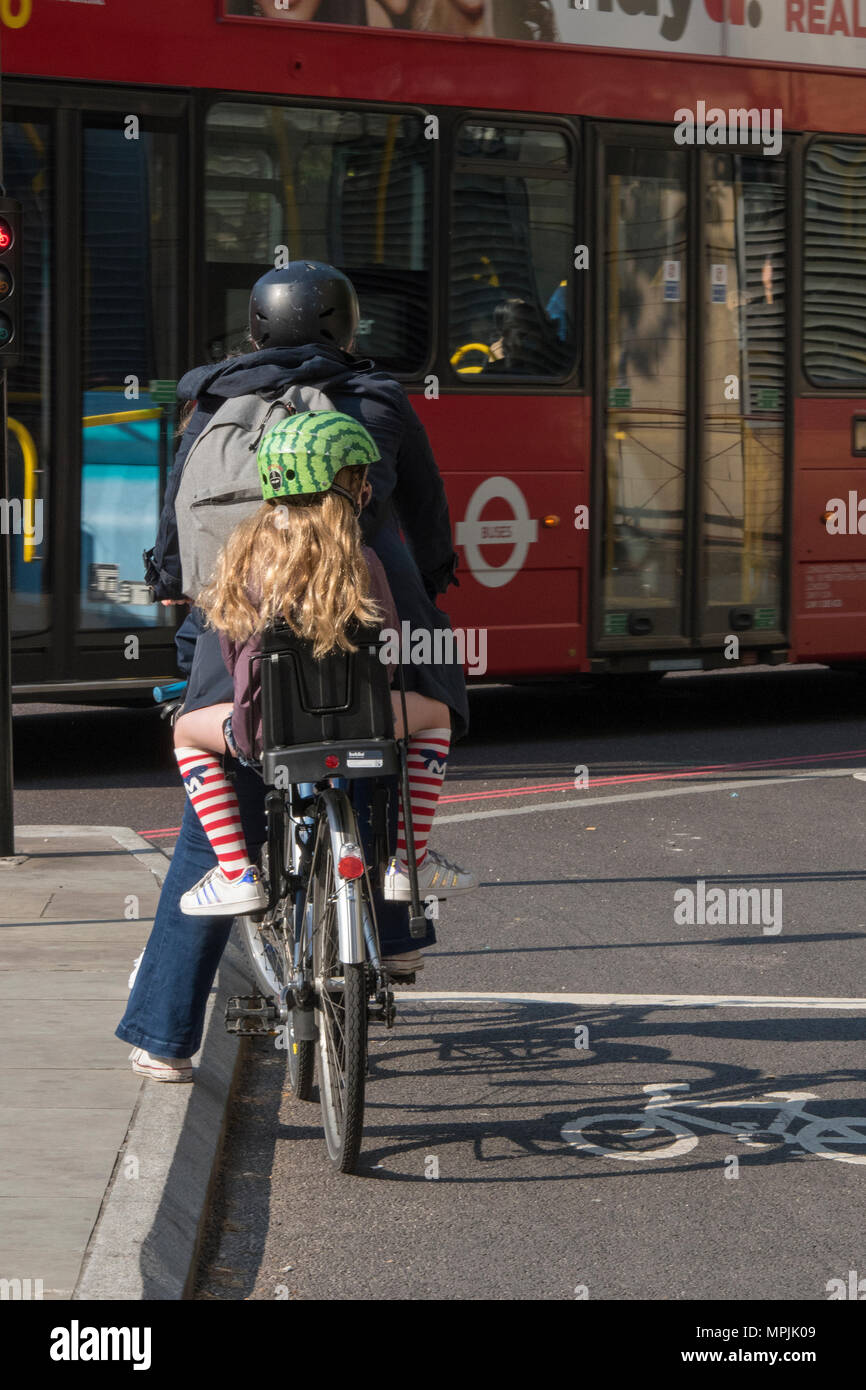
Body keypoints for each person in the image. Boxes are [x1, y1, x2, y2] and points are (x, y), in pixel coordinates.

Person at [120, 260, 469, 1081]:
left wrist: (182, 600)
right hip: (365, 619)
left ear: (252, 330)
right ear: (345, 330)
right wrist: (437, 576)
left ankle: (165, 1037)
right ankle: (394, 931)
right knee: (386, 742)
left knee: (220, 819)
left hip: (236, 623)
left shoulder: (206, 400)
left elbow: (177, 529)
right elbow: (424, 504)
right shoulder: (377, 398)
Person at [173, 409, 475, 916]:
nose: (368, 491)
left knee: (185, 731)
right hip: (367, 725)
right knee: (437, 715)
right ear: (351, 490)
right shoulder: (365, 559)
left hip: (268, 730)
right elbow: (389, 640)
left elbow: (230, 652)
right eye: (360, 480)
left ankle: (234, 872)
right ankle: (409, 861)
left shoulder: (243, 557)